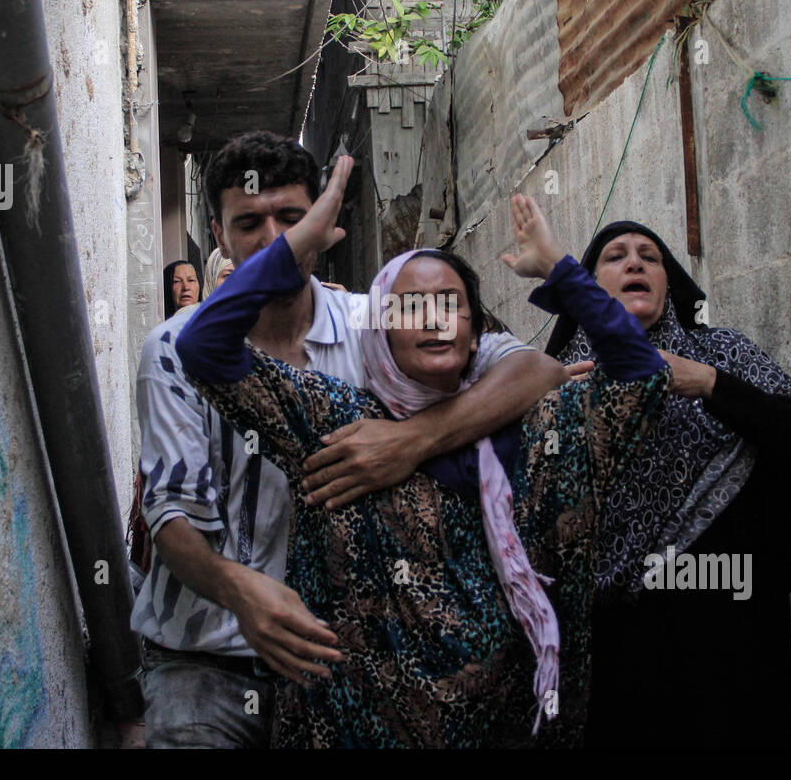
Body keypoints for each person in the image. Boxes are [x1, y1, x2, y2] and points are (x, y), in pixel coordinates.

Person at [175, 189, 671, 748]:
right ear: (380, 327)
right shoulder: (335, 423)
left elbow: (643, 372)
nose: (433, 319)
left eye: (450, 304)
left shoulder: (547, 430)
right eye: (410, 306)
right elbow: (203, 346)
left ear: (476, 330)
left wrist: (560, 266)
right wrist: (295, 246)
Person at [132, 132, 567, 748]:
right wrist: (241, 594)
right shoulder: (173, 348)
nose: (272, 239)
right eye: (249, 222)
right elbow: (171, 513)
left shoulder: (376, 324)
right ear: (218, 234)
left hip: (347, 659)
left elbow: (534, 369)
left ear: (324, 222)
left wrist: (413, 439)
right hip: (209, 655)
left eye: (292, 218)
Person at [545, 221, 791, 748]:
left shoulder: (722, 354)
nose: (635, 263)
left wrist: (708, 384)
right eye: (615, 256)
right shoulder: (553, 380)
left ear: (668, 282)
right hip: (611, 654)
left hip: (733, 643)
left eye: (649, 257)